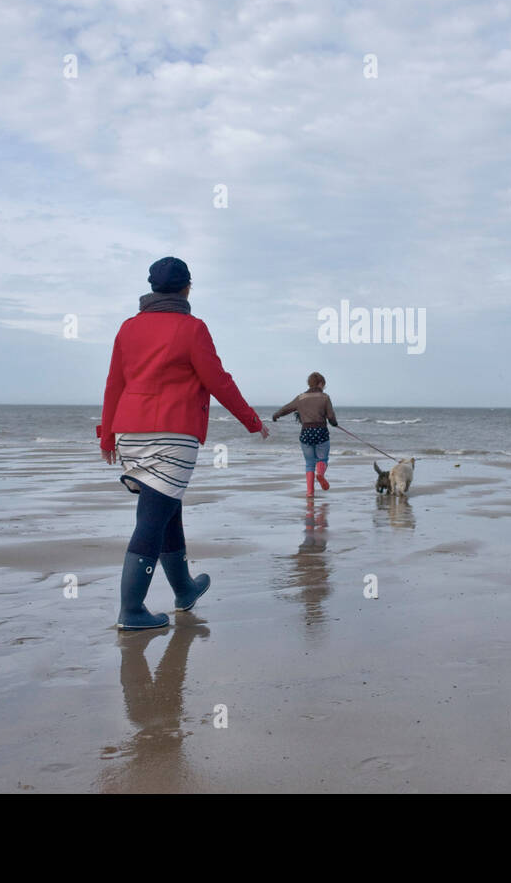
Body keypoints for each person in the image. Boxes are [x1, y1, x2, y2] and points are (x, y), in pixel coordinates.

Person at [98, 256, 270, 631]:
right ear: (187, 288)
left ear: (152, 289)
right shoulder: (192, 329)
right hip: (173, 434)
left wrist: (108, 435)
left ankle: (184, 588)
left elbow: (115, 383)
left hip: (130, 432)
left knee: (166, 507)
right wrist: (252, 420)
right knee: (152, 519)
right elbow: (217, 380)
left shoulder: (128, 328)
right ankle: (132, 609)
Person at [271, 372, 338, 497]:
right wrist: (334, 423)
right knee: (322, 459)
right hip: (321, 432)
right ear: (321, 383)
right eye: (324, 385)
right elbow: (331, 416)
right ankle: (320, 474)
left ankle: (310, 493)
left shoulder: (300, 398)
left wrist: (276, 415)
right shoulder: (325, 397)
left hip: (306, 433)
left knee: (309, 463)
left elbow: (287, 408)